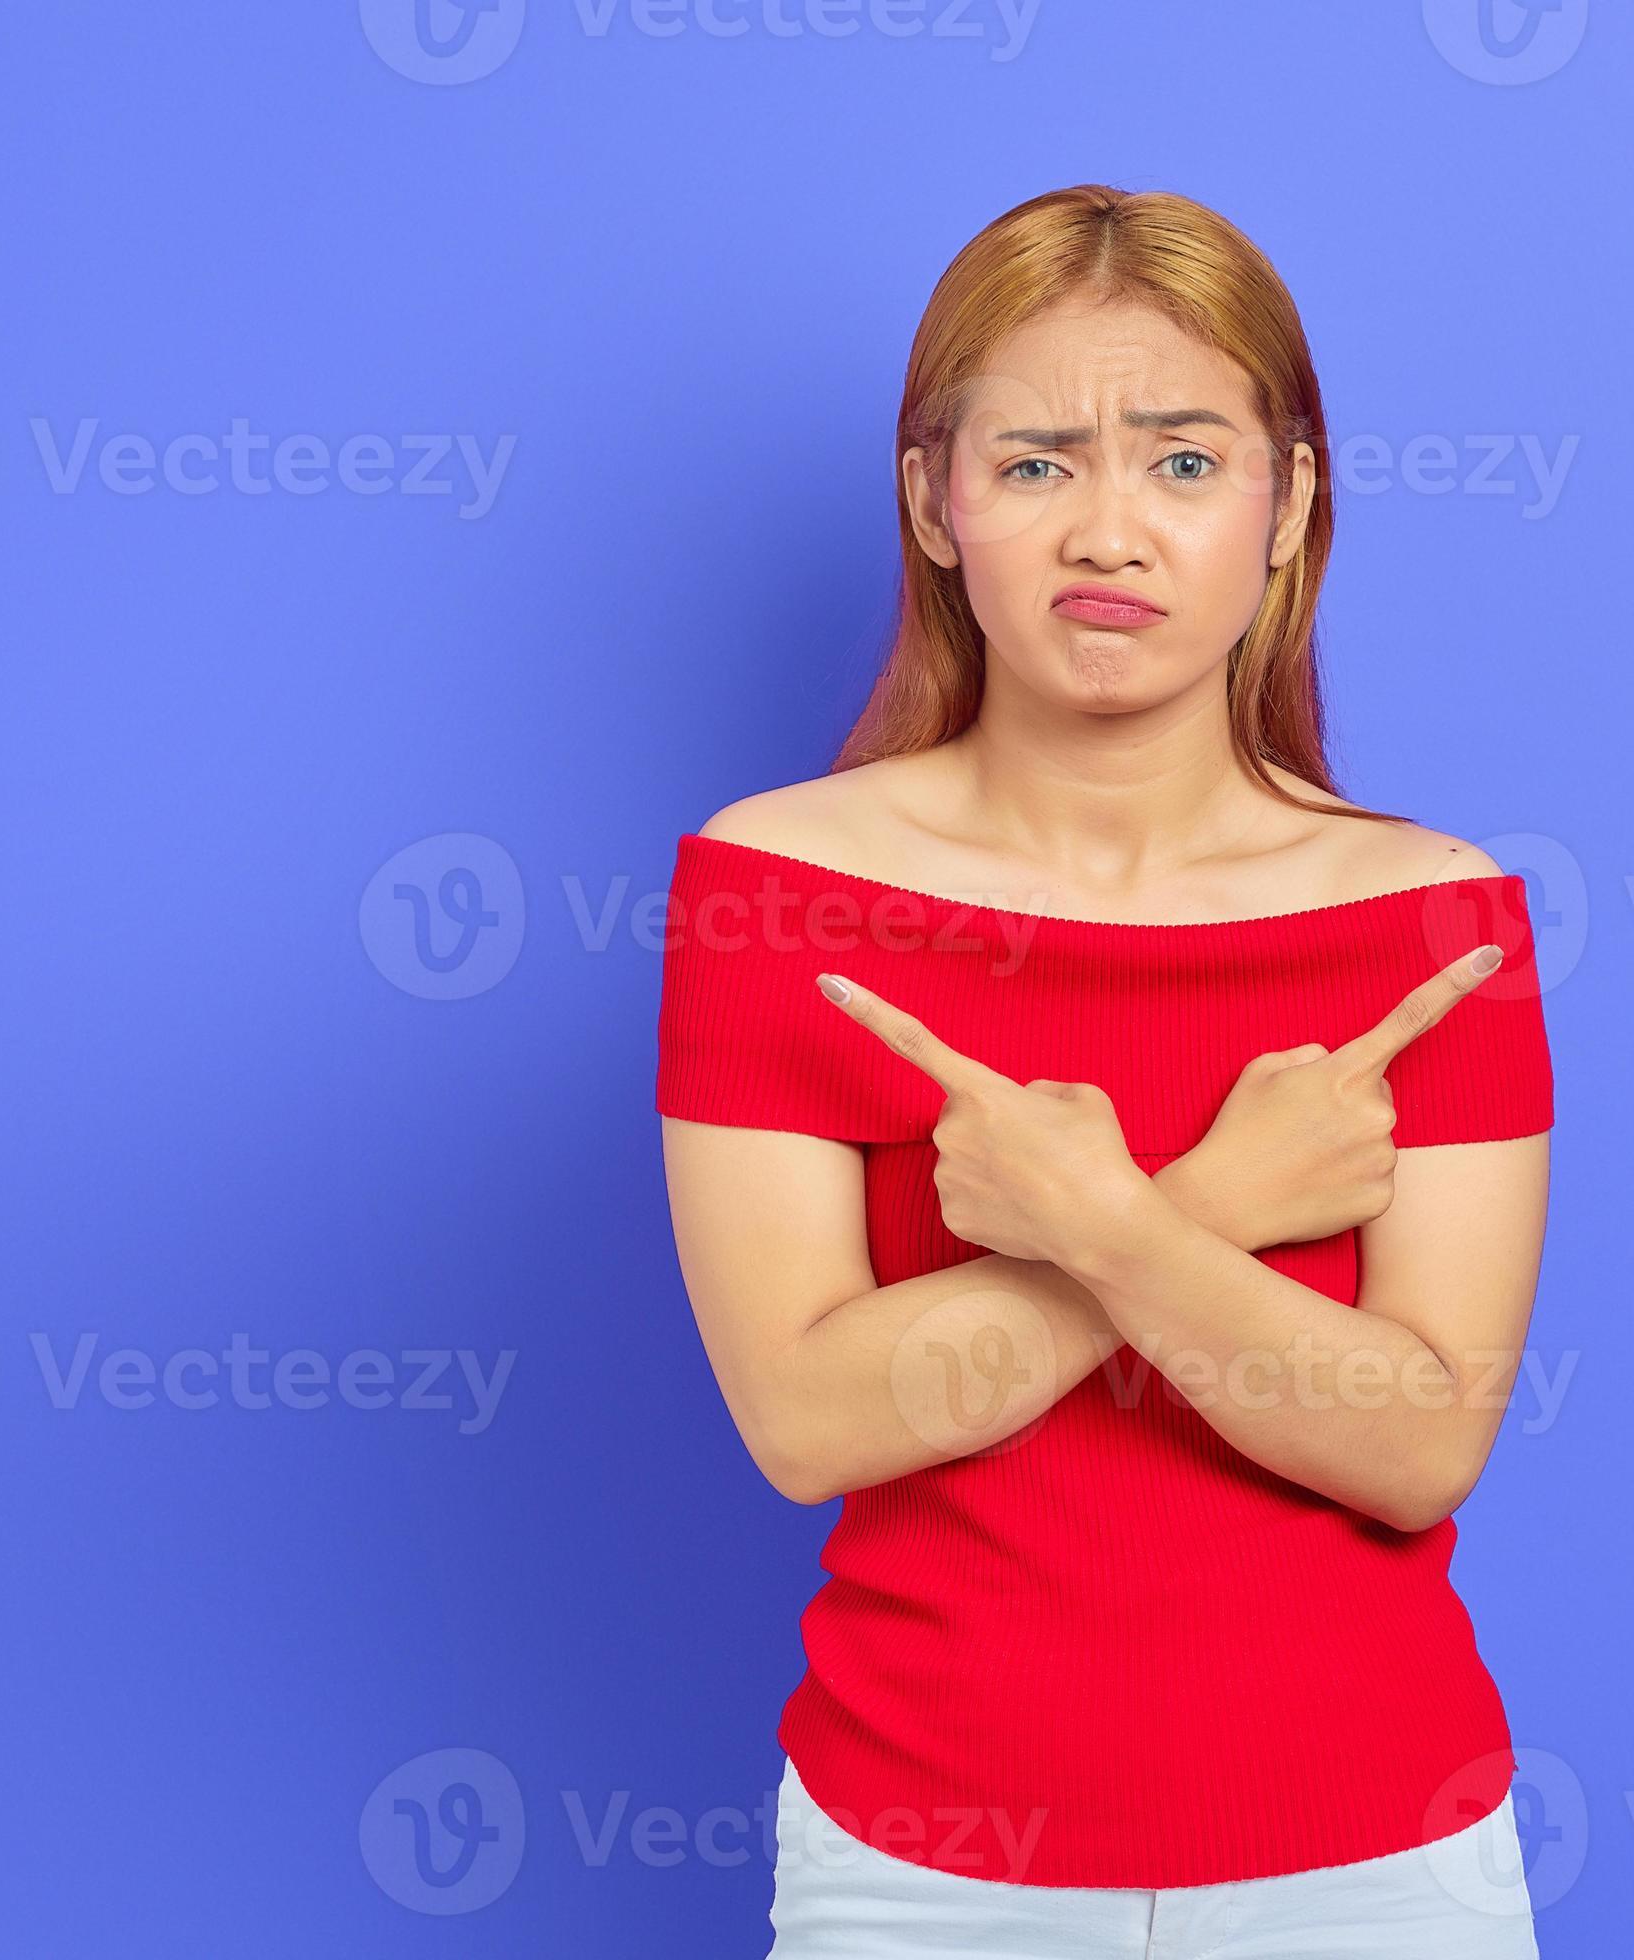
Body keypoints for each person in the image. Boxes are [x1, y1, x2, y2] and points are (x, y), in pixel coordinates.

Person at [656, 183, 1556, 1957]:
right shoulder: (775, 893)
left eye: (1185, 461)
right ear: (937, 503)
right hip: (920, 1868)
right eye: (1037, 463)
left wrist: (1107, 1225)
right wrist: (1210, 1201)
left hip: (1377, 1862)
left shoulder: (1434, 922)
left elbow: (1417, 1444)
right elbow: (810, 1421)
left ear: (1292, 504)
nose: (1110, 532)